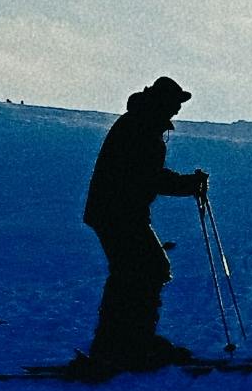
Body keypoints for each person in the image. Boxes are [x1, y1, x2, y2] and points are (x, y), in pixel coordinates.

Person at [82, 76, 211, 369]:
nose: (178, 110)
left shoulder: (141, 123)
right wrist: (188, 184)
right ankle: (128, 343)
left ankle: (122, 342)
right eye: (176, 103)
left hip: (117, 212)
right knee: (146, 270)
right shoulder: (141, 127)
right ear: (163, 102)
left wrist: (185, 183)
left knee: (135, 272)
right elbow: (146, 177)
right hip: (117, 212)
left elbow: (145, 174)